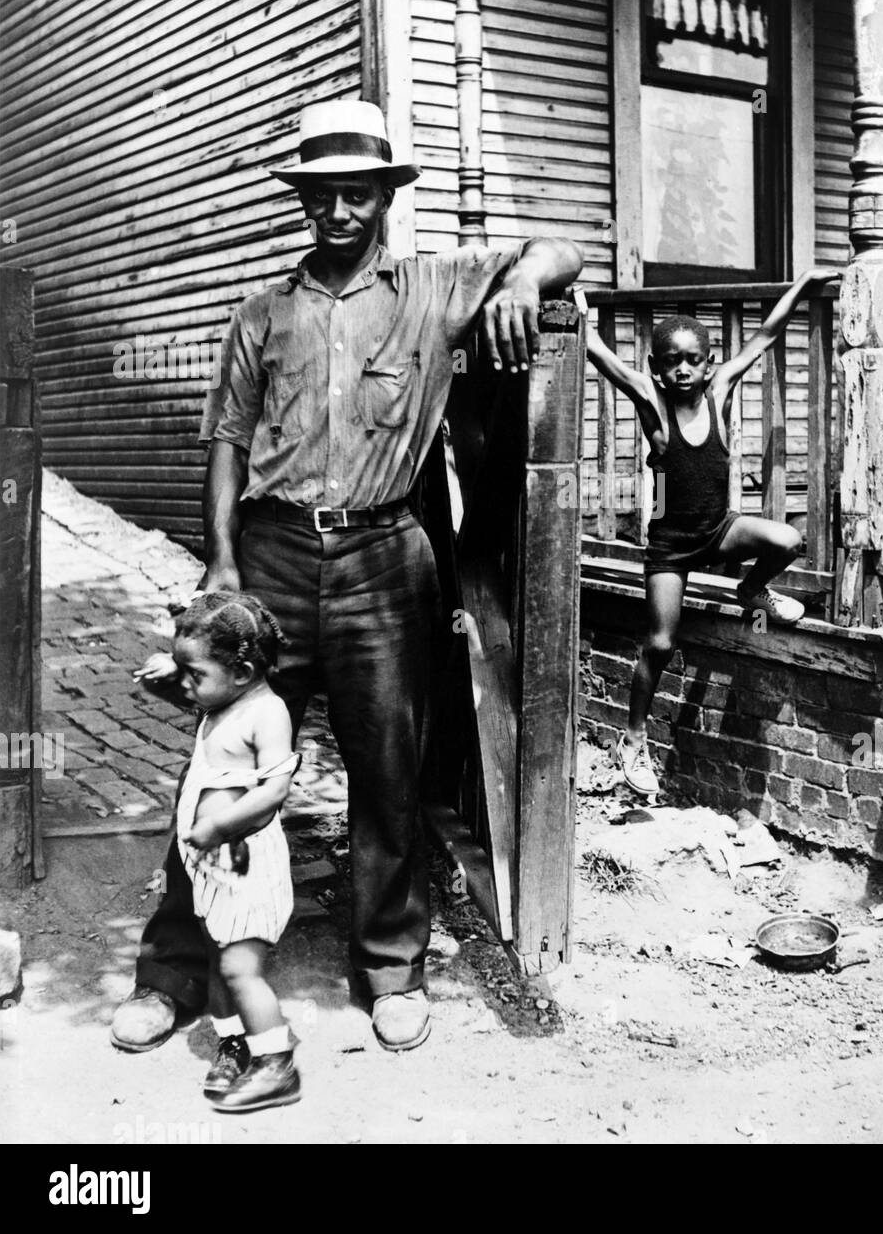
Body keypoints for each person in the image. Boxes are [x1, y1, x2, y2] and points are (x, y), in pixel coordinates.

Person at [110, 99, 582, 1056]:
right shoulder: (263, 313)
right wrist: (223, 563)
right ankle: (173, 972)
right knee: (220, 765)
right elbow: (229, 447)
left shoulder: (436, 288)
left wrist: (526, 279)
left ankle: (391, 969)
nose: (338, 212)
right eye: (322, 195)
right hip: (273, 553)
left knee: (387, 769)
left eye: (356, 195)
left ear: (384, 199)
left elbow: (562, 244)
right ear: (304, 201)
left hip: (382, 555)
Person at [582, 273, 816, 797]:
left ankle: (752, 590)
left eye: (693, 359)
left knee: (787, 541)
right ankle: (634, 738)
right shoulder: (654, 408)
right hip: (669, 547)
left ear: (709, 363)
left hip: (719, 531)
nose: (683, 368)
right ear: (656, 368)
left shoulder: (721, 391)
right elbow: (603, 357)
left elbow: (766, 336)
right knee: (662, 641)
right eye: (671, 360)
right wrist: (579, 313)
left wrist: (802, 283)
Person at [135, 593, 302, 1112]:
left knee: (239, 969)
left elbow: (274, 791)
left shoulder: (267, 713)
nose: (186, 685)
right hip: (214, 869)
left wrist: (217, 825)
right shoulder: (225, 695)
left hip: (245, 865)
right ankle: (237, 1042)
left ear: (244, 670)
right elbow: (201, 689)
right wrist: (177, 665)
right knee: (217, 959)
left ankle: (277, 1065)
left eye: (194, 674)